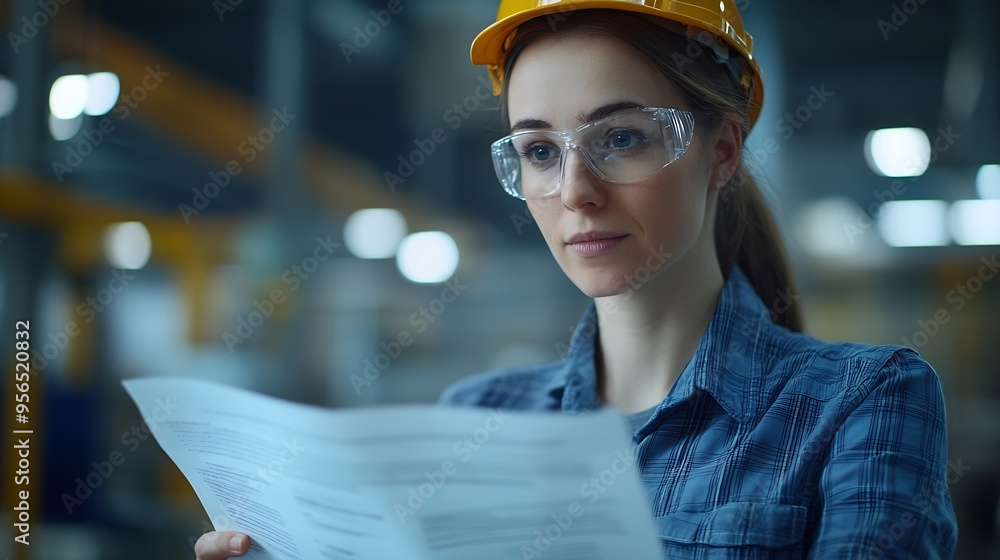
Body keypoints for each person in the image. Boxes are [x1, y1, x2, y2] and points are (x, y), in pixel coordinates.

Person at [195, 0, 958, 558]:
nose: (575, 191)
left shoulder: (863, 404)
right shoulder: (477, 419)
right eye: (537, 151)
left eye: (620, 138)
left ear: (722, 151)